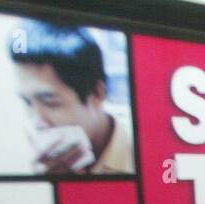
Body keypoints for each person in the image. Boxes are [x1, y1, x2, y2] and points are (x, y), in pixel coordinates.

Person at [9, 20, 134, 174]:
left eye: (50, 102)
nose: (37, 123)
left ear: (96, 94)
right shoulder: (31, 157)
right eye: (27, 103)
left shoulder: (147, 153)